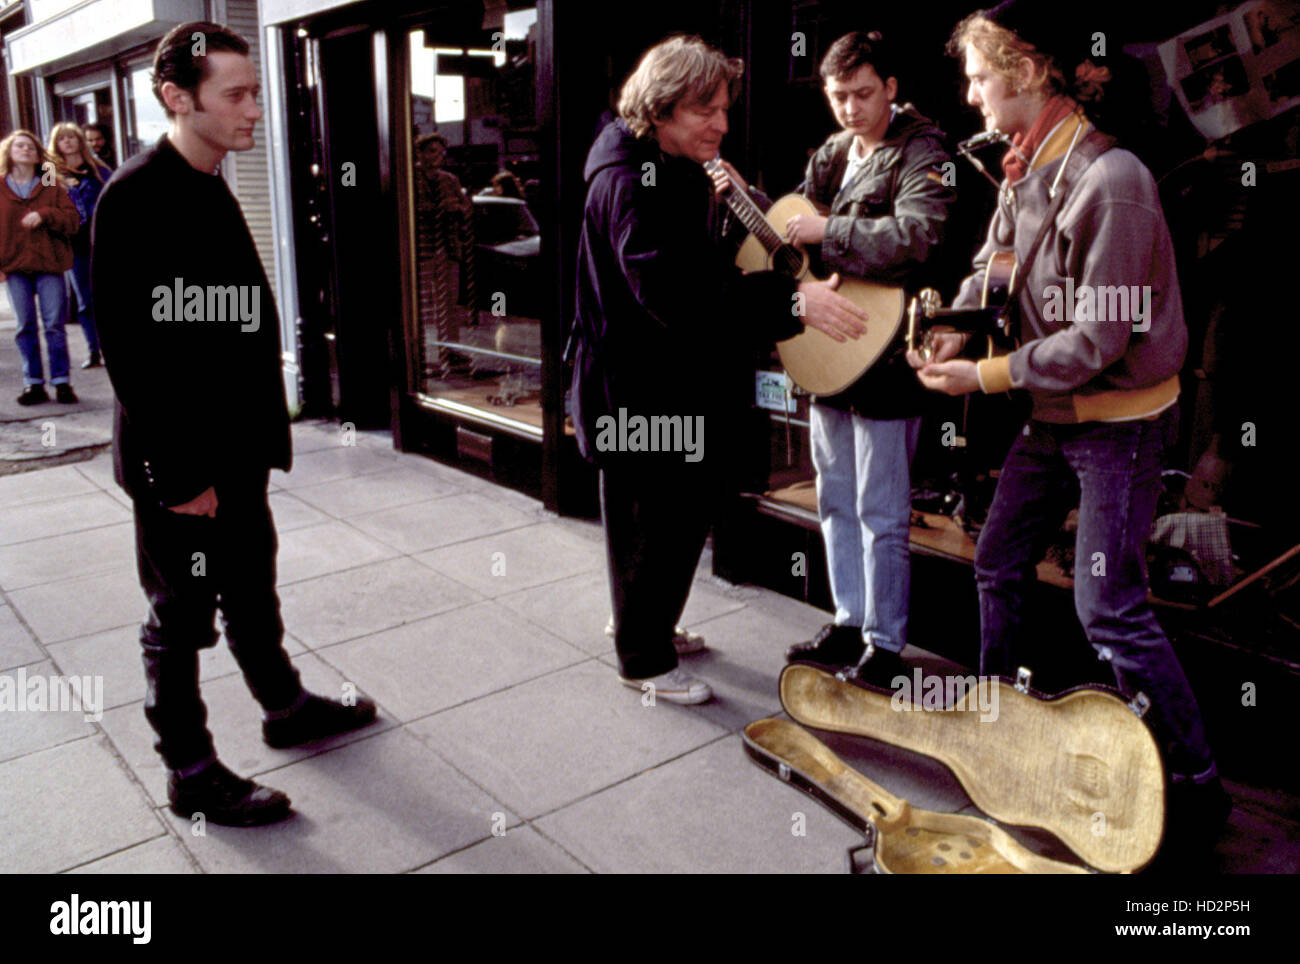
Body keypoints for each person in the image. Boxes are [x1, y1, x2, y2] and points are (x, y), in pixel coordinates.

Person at [910, 1, 1228, 854]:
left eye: (979, 78)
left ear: (1025, 69)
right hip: (1055, 417)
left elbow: (1100, 340)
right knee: (998, 560)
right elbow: (996, 267)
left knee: (1110, 608)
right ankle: (999, 722)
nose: (972, 97)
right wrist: (958, 322)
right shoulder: (1030, 166)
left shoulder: (1112, 180)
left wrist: (980, 372)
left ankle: (1198, 784)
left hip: (1115, 425)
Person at [92, 21, 376, 827]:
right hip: (179, 463)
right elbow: (133, 354)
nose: (256, 107)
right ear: (178, 99)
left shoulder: (209, 174)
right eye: (237, 94)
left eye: (256, 90)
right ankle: (188, 768)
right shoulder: (136, 197)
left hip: (235, 447)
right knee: (181, 612)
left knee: (251, 584)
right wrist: (181, 480)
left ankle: (285, 706)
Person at [570, 35, 868, 704]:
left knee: (641, 520)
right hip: (646, 393)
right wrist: (794, 300)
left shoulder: (650, 160)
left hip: (638, 386)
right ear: (664, 106)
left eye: (725, 111)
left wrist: (729, 198)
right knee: (668, 520)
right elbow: (676, 294)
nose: (722, 125)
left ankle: (643, 626)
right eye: (707, 111)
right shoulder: (632, 182)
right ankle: (645, 661)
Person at [753, 31, 956, 682]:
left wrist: (827, 231)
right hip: (834, 346)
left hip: (890, 356)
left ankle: (886, 643)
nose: (848, 108)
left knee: (882, 508)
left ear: (892, 88)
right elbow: (792, 233)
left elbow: (919, 237)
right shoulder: (834, 153)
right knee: (835, 497)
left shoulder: (924, 149)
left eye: (862, 93)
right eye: (838, 96)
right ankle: (848, 622)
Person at [0, 129, 80, 405]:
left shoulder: (49, 183)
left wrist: (45, 214)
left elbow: (73, 220)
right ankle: (33, 383)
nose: (26, 150)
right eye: (19, 146)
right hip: (15, 266)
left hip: (49, 264)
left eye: (31, 147)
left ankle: (61, 382)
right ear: (9, 152)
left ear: (38, 155)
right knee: (25, 326)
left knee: (54, 326)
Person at [49, 121, 111, 368]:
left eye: (72, 137)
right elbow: (42, 203)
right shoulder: (50, 172)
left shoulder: (98, 169)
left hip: (101, 240)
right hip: (73, 244)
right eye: (62, 138)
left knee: (106, 297)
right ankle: (92, 349)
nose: (68, 141)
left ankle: (110, 347)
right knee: (85, 301)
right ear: (56, 144)